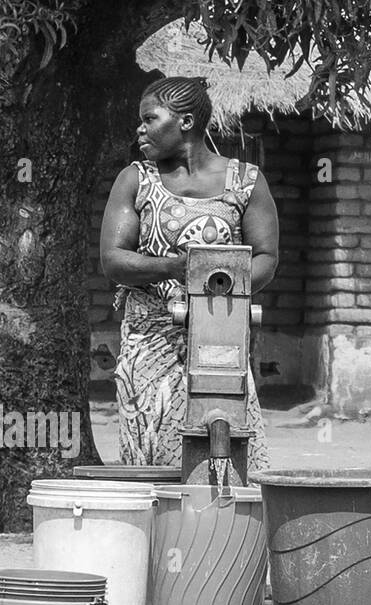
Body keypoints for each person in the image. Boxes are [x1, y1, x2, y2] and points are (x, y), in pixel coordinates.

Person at [100, 75, 279, 473]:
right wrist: (179, 268)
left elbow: (266, 258)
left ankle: (224, 529)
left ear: (184, 121)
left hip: (219, 340)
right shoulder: (136, 180)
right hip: (148, 345)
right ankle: (160, 531)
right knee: (151, 460)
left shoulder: (245, 183)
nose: (140, 129)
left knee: (225, 436)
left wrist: (218, 288)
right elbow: (113, 259)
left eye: (149, 119)